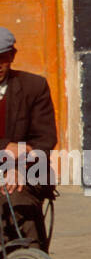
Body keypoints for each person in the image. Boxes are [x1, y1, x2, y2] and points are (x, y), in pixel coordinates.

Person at [0, 27, 58, 246]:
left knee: (17, 202)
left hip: (29, 171)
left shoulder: (34, 87)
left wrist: (19, 167)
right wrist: (8, 148)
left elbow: (44, 140)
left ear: (12, 56)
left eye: (2, 58)